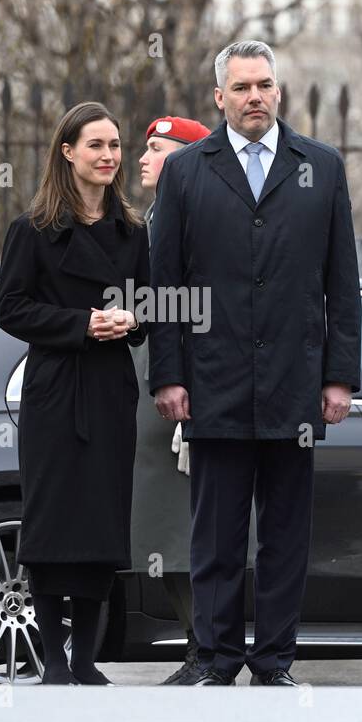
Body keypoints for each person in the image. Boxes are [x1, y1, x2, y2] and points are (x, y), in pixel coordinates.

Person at [148, 39, 362, 686]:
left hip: (295, 389)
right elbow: (164, 286)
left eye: (264, 85)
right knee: (215, 536)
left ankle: (273, 661)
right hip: (212, 385)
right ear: (219, 96)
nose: (254, 97)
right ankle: (215, 658)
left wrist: (338, 375)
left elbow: (342, 282)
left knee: (285, 538)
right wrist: (169, 374)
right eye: (241, 87)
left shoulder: (320, 167)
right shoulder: (187, 171)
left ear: (279, 91)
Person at [0, 101, 150, 685]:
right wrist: (80, 323)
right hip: (57, 391)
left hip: (111, 390)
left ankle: (86, 657)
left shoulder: (133, 233)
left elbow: (154, 306)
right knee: (54, 522)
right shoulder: (32, 230)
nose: (109, 156)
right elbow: (10, 308)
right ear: (68, 152)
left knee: (103, 522)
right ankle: (52, 659)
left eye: (115, 146)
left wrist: (131, 321)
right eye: (96, 146)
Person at [133, 114, 212, 686]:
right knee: (163, 534)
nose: (141, 158)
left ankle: (204, 650)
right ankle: (199, 646)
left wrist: (182, 383)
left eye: (156, 148)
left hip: (181, 397)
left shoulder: (196, 217)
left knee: (184, 534)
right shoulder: (158, 216)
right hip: (156, 396)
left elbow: (191, 312)